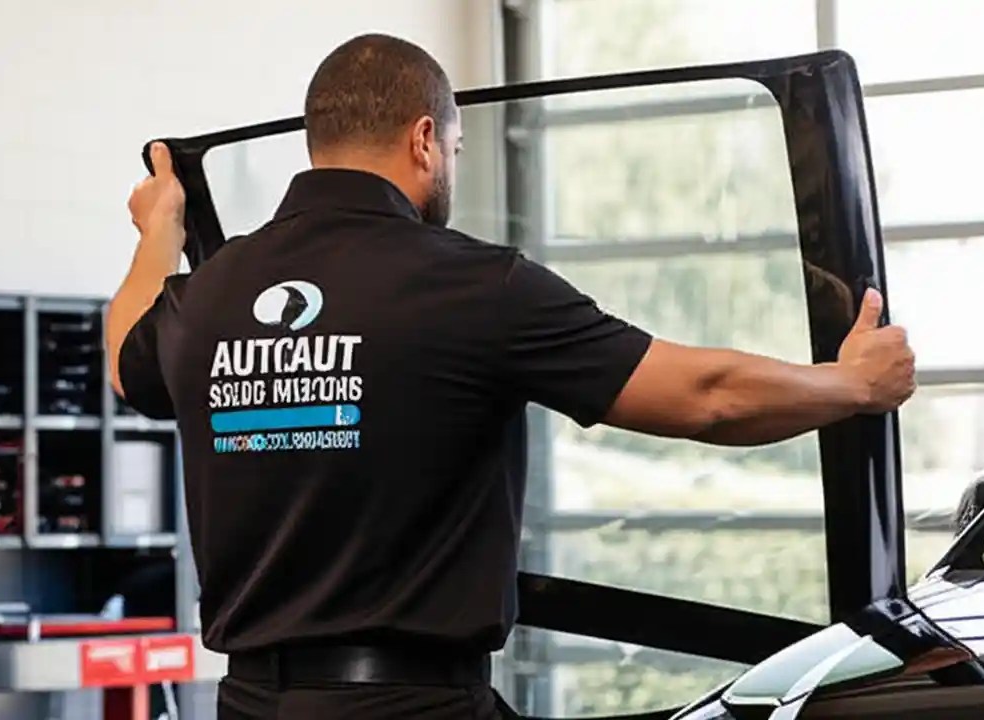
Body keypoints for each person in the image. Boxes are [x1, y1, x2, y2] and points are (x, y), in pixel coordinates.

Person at [106, 33, 915, 720]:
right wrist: (851, 386)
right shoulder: (470, 286)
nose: (450, 166)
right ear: (424, 139)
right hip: (417, 707)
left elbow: (123, 359)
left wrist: (160, 231)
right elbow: (703, 398)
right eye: (454, 149)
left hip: (250, 704)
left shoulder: (202, 298)